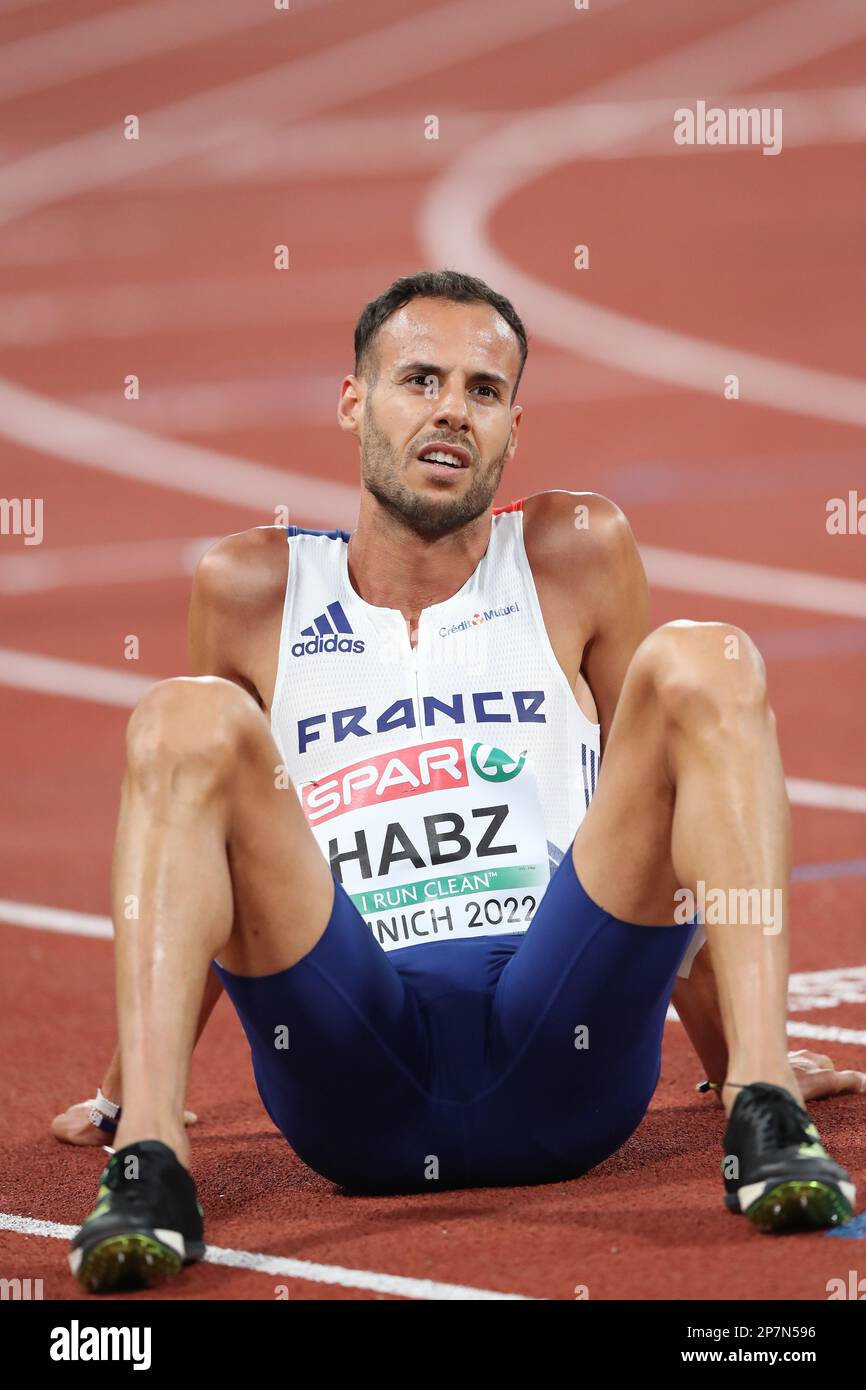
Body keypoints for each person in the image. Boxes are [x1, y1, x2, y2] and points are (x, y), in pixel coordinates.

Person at [59, 270, 863, 1293]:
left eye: (482, 391)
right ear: (353, 401)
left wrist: (732, 1053)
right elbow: (200, 834)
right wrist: (128, 1093)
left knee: (707, 657)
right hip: (355, 1062)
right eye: (419, 380)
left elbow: (671, 798)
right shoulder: (251, 588)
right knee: (180, 716)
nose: (450, 408)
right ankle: (152, 1164)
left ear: (512, 426)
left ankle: (761, 1110)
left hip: (560, 1039)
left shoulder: (571, 552)